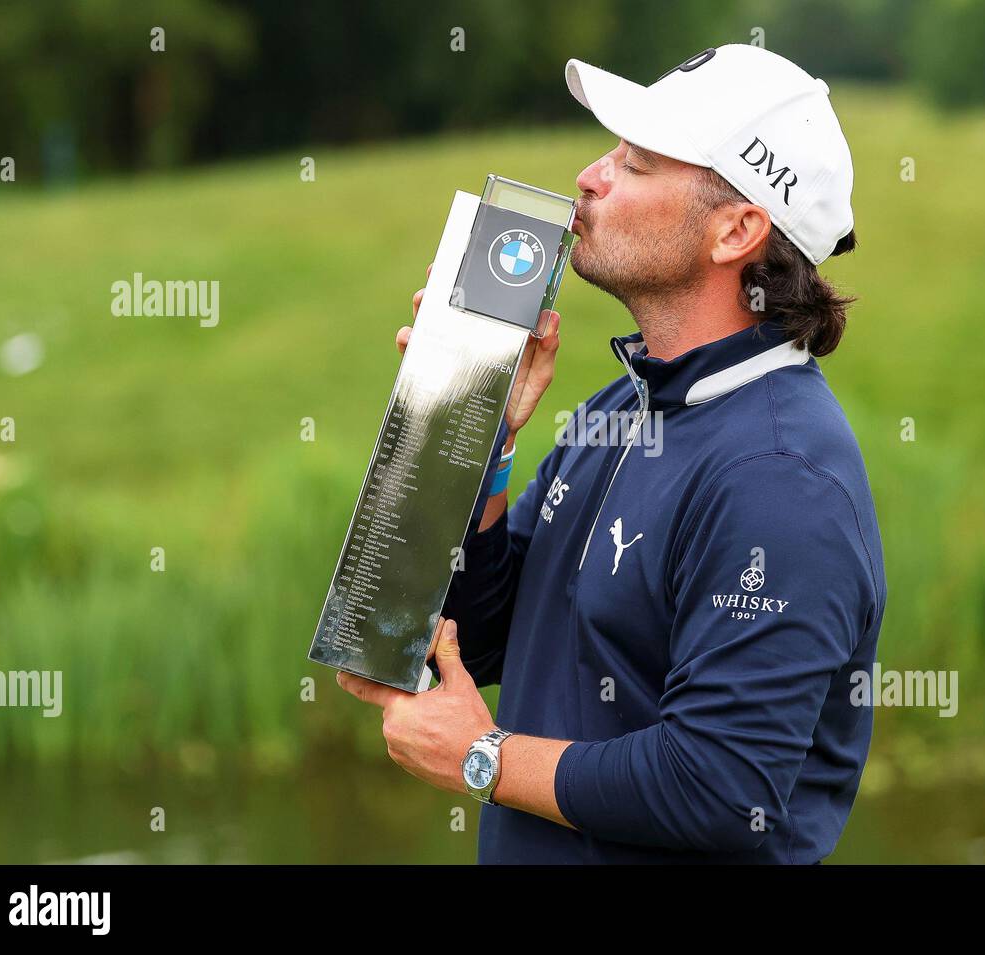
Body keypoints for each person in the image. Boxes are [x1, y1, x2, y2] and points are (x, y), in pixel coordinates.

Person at [338, 44, 886, 864]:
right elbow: (486, 639)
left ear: (736, 229)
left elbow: (720, 786)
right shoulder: (622, 408)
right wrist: (479, 437)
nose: (591, 176)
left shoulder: (781, 479)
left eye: (634, 163)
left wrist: (484, 758)